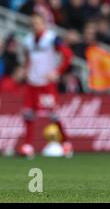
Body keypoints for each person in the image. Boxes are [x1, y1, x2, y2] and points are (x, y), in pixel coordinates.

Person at [18, 13, 74, 158]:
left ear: (44, 24)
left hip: (46, 84)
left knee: (54, 114)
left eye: (38, 23)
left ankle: (66, 143)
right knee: (28, 114)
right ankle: (27, 146)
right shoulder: (28, 40)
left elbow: (67, 55)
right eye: (33, 23)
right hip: (32, 83)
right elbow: (27, 58)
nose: (35, 25)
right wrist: (24, 69)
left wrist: (57, 71)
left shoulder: (51, 38)